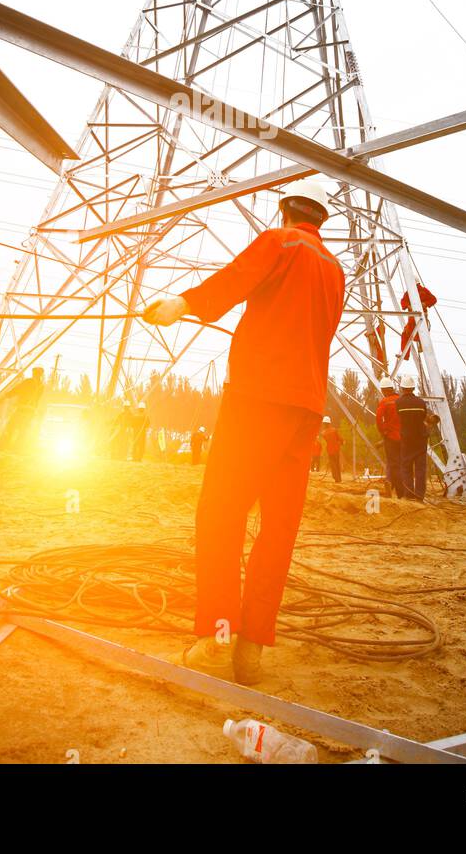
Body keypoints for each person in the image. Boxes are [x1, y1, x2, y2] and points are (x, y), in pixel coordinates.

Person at [141, 177, 344, 687]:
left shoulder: (280, 242)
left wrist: (179, 305)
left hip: (257, 399)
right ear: (320, 218)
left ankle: (217, 636)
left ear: (287, 211)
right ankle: (251, 647)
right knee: (278, 528)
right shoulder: (335, 270)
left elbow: (236, 280)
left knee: (221, 512)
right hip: (305, 412)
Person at [397, 371, 429, 502]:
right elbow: (424, 418)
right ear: (413, 388)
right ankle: (419, 495)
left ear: (402, 388)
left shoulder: (398, 403)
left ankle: (409, 494)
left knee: (406, 467)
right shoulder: (421, 403)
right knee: (420, 469)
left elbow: (399, 419)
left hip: (407, 440)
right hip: (421, 440)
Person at [0, 366, 48, 452]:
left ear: (34, 373)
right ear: (41, 374)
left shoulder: (28, 382)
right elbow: (37, 399)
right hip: (31, 411)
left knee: (11, 427)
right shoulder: (41, 386)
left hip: (22, 408)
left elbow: (16, 390)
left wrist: (5, 397)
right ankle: (17, 449)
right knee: (23, 430)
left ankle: (2, 447)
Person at [375, 375, 403, 498]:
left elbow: (378, 419)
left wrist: (383, 432)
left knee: (392, 463)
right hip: (403, 437)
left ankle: (395, 488)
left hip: (390, 437)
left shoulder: (384, 402)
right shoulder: (401, 400)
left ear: (384, 390)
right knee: (401, 463)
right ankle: (396, 487)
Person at [322, 415, 343, 483]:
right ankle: (339, 479)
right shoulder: (334, 430)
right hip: (336, 449)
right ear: (329, 423)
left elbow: (327, 440)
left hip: (330, 450)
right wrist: (342, 442)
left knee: (333, 465)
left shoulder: (323, 433)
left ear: (324, 424)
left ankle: (336, 478)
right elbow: (339, 439)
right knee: (337, 464)